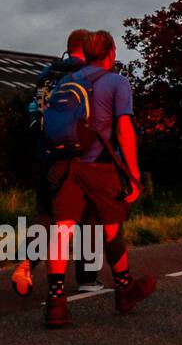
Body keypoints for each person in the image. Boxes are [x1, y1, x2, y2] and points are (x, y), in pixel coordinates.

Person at [41, 30, 155, 329]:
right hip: (100, 166)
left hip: (65, 164)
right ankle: (124, 289)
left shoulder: (66, 81)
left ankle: (56, 302)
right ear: (111, 52)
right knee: (111, 227)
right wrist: (132, 172)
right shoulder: (116, 82)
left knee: (62, 229)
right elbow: (124, 129)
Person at [13, 28, 94, 298]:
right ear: (89, 47)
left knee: (47, 215)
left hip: (46, 152)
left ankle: (25, 263)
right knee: (86, 217)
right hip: (78, 155)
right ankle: (87, 277)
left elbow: (33, 111)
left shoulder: (45, 74)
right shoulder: (87, 74)